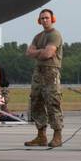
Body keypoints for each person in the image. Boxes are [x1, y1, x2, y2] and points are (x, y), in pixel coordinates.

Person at [24, 9, 64, 147]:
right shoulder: (38, 36)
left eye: (47, 18)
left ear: (52, 19)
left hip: (51, 71)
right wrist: (41, 51)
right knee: (36, 101)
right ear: (39, 21)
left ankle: (57, 135)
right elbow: (28, 52)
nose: (44, 20)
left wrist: (38, 52)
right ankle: (41, 136)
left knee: (52, 102)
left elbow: (48, 54)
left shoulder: (55, 35)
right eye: (42, 18)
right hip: (38, 72)